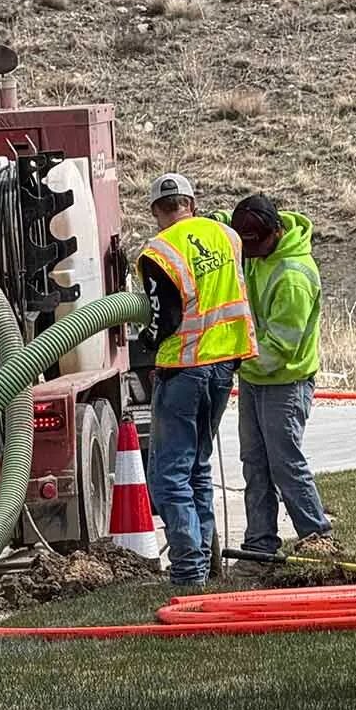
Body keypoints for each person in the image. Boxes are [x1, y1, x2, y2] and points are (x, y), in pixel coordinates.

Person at [134, 173, 257, 588]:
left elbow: (163, 316)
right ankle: (203, 562)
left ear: (155, 210)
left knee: (170, 474)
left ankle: (188, 571)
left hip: (184, 368)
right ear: (192, 201)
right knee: (198, 465)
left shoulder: (159, 251)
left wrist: (147, 339)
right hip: (225, 364)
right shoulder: (228, 236)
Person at [211, 194, 338, 562]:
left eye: (256, 245)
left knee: (284, 462)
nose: (248, 254)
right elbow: (221, 221)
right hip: (255, 380)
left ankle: (317, 537)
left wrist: (231, 362)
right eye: (243, 245)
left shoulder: (294, 277)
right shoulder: (253, 249)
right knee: (254, 463)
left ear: (276, 232)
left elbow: (280, 347)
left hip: (285, 381)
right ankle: (260, 545)